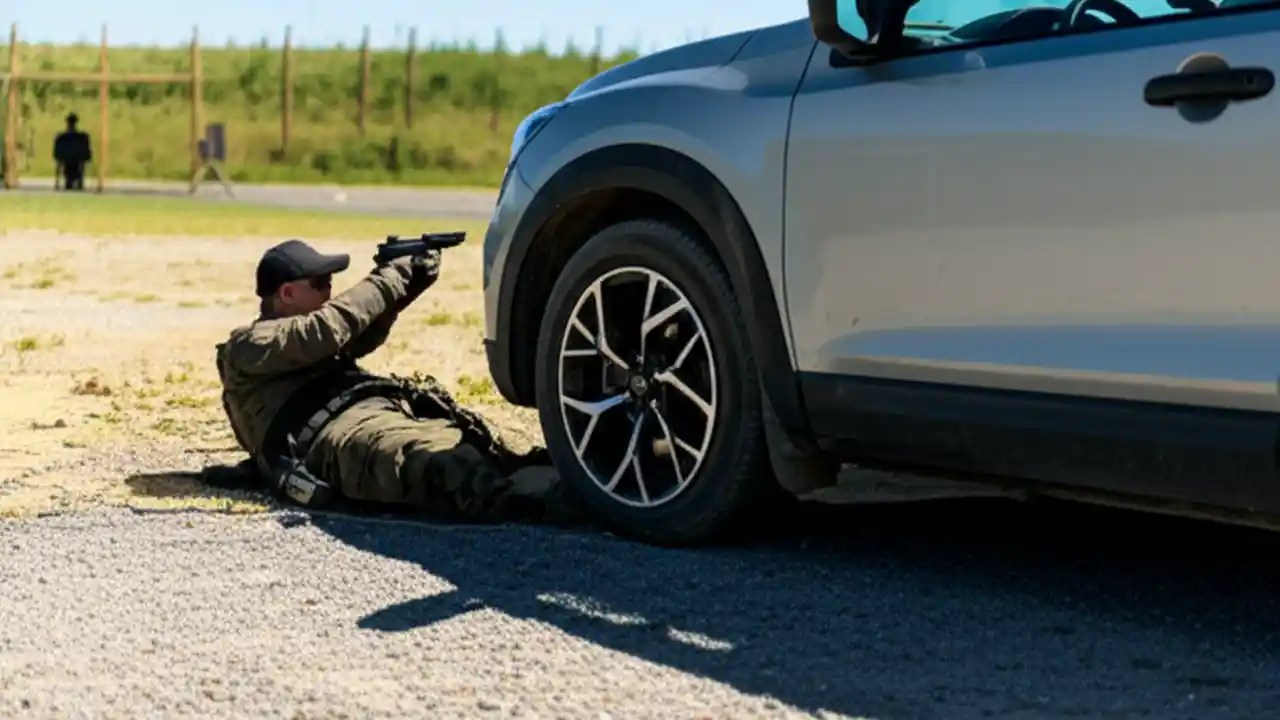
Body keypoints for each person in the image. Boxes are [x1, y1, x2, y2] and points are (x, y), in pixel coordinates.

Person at [213, 238, 582, 524]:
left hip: (379, 409)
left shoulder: (297, 341)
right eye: (321, 283)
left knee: (485, 451)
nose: (329, 292)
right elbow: (327, 330)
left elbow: (360, 333)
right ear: (288, 294)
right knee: (441, 466)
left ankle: (582, 485)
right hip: (338, 433)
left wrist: (410, 285)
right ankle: (551, 505)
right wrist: (391, 276)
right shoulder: (248, 345)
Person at [53, 113, 92, 191]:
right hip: (75, 160)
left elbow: (58, 157)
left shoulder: (62, 137)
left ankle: (61, 182)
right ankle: (80, 182)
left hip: (70, 160)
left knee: (77, 166)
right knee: (80, 165)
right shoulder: (80, 137)